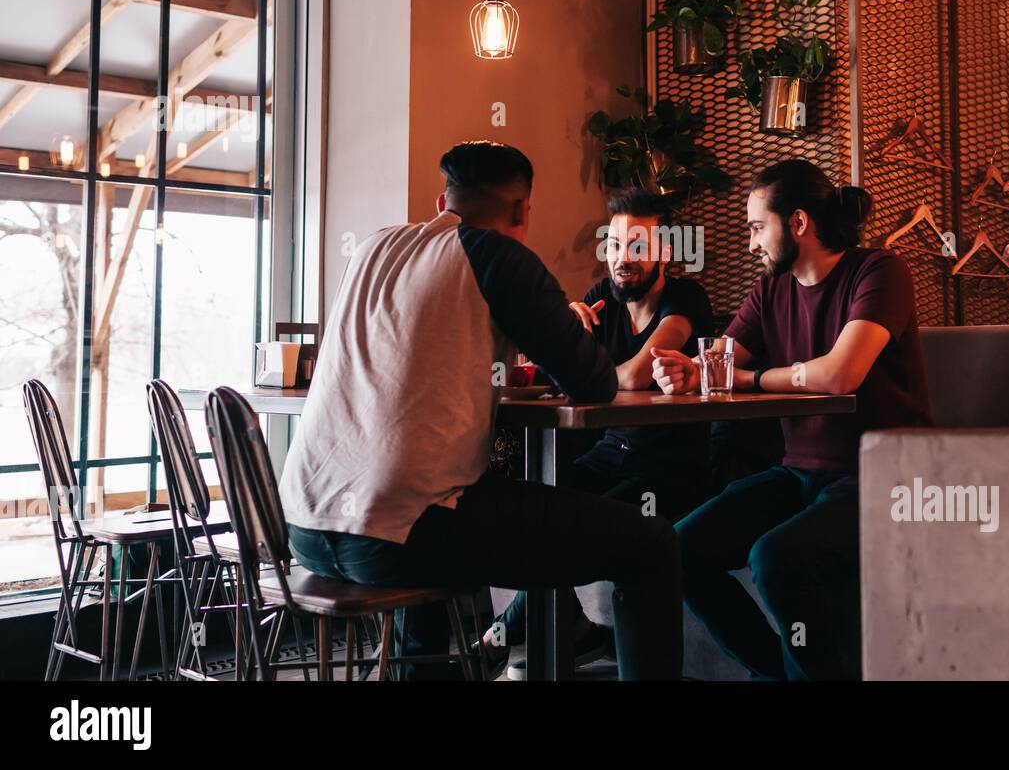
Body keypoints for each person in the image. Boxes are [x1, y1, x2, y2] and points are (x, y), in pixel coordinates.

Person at [280, 141, 683, 681]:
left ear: (440, 200)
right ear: (522, 211)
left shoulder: (373, 248)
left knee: (433, 504)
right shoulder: (498, 254)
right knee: (651, 543)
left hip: (301, 525)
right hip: (397, 532)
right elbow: (593, 382)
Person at [650, 159, 931, 680]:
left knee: (775, 558)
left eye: (758, 228)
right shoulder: (771, 291)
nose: (751, 244)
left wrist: (750, 379)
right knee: (675, 550)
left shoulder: (878, 272)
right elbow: (721, 362)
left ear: (798, 223)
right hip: (800, 472)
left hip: (887, 474)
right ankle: (772, 673)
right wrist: (689, 373)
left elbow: (840, 373)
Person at [487, 187, 713, 678]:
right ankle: (568, 627)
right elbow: (544, 367)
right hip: (611, 451)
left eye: (636, 245)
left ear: (665, 252)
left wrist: (580, 355)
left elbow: (635, 374)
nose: (621, 258)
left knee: (584, 517)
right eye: (612, 244)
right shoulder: (600, 298)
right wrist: (564, 331)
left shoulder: (684, 299)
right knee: (539, 505)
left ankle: (498, 638)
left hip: (670, 464)